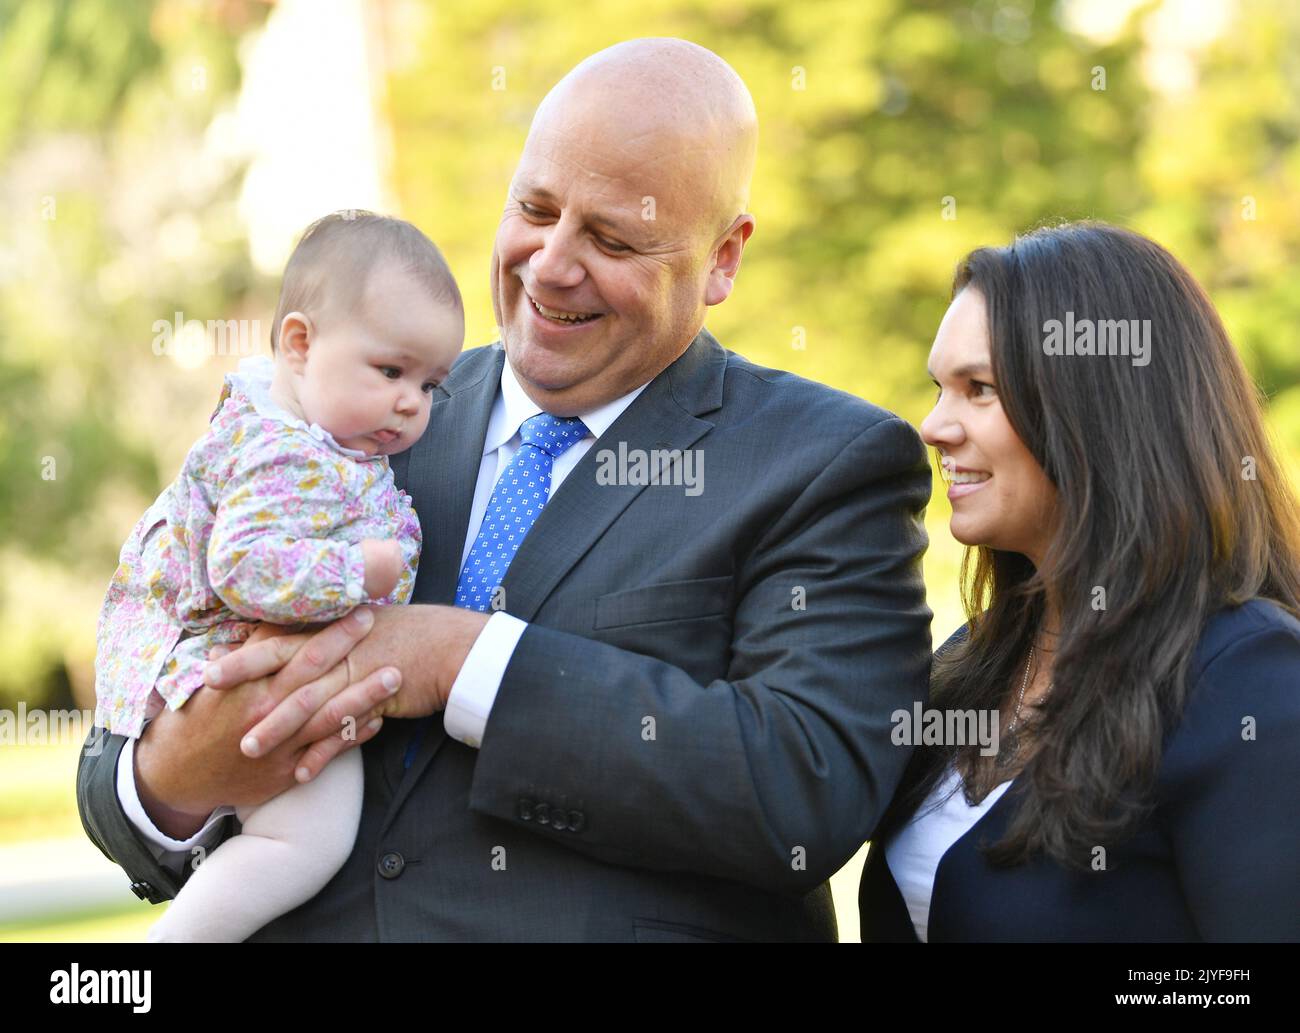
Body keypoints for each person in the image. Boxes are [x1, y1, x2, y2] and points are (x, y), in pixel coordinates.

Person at [78, 37, 932, 943]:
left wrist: (461, 659)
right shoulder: (348, 413)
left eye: (612, 238)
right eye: (535, 208)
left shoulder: (825, 463)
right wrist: (176, 772)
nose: (551, 264)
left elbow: (805, 789)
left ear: (724, 257)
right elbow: (125, 731)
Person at [860, 221, 1300, 942]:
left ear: (1098, 410)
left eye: (979, 389)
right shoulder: (975, 659)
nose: (934, 426)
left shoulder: (1248, 676)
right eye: (939, 387)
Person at [87, 211, 464, 940]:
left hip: (266, 679)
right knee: (306, 838)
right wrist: (357, 569)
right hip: (225, 668)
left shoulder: (329, 437)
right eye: (391, 371)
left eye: (431, 384)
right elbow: (241, 565)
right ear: (300, 343)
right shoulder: (283, 450)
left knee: (306, 836)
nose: (411, 402)